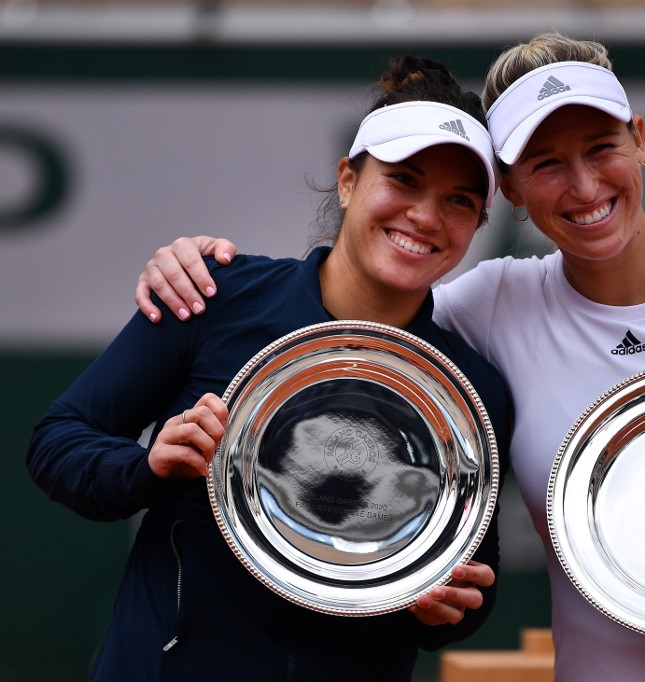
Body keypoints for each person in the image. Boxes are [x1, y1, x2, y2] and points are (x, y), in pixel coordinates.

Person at [132, 33, 645, 681]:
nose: (584, 186)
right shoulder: (488, 306)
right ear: (511, 191)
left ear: (640, 140)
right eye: (546, 164)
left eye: (601, 148)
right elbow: (348, 304)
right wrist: (212, 270)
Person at [27, 56, 513, 682]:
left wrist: (444, 607)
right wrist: (146, 468)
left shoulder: (469, 388)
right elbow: (58, 441)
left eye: (460, 201)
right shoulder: (214, 294)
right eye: (404, 181)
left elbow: (472, 584)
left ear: (477, 224)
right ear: (347, 180)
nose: (425, 216)